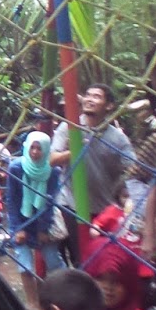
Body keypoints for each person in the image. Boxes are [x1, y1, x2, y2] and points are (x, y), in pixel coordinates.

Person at [51, 83, 136, 266]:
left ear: (109, 106)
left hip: (103, 210)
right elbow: (51, 159)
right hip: (70, 204)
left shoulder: (118, 139)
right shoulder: (69, 128)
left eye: (97, 96)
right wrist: (74, 150)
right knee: (77, 258)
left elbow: (134, 169)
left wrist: (128, 198)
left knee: (99, 260)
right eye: (88, 95)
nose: (89, 99)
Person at [8, 130, 67, 309]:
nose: (35, 152)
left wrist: (43, 229)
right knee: (24, 265)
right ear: (26, 148)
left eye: (39, 149)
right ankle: (33, 304)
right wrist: (18, 228)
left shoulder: (53, 172)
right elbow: (12, 201)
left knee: (54, 262)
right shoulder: (16, 168)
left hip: (43, 221)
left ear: (46, 150)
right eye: (32, 147)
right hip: (21, 220)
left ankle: (61, 297)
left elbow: (50, 202)